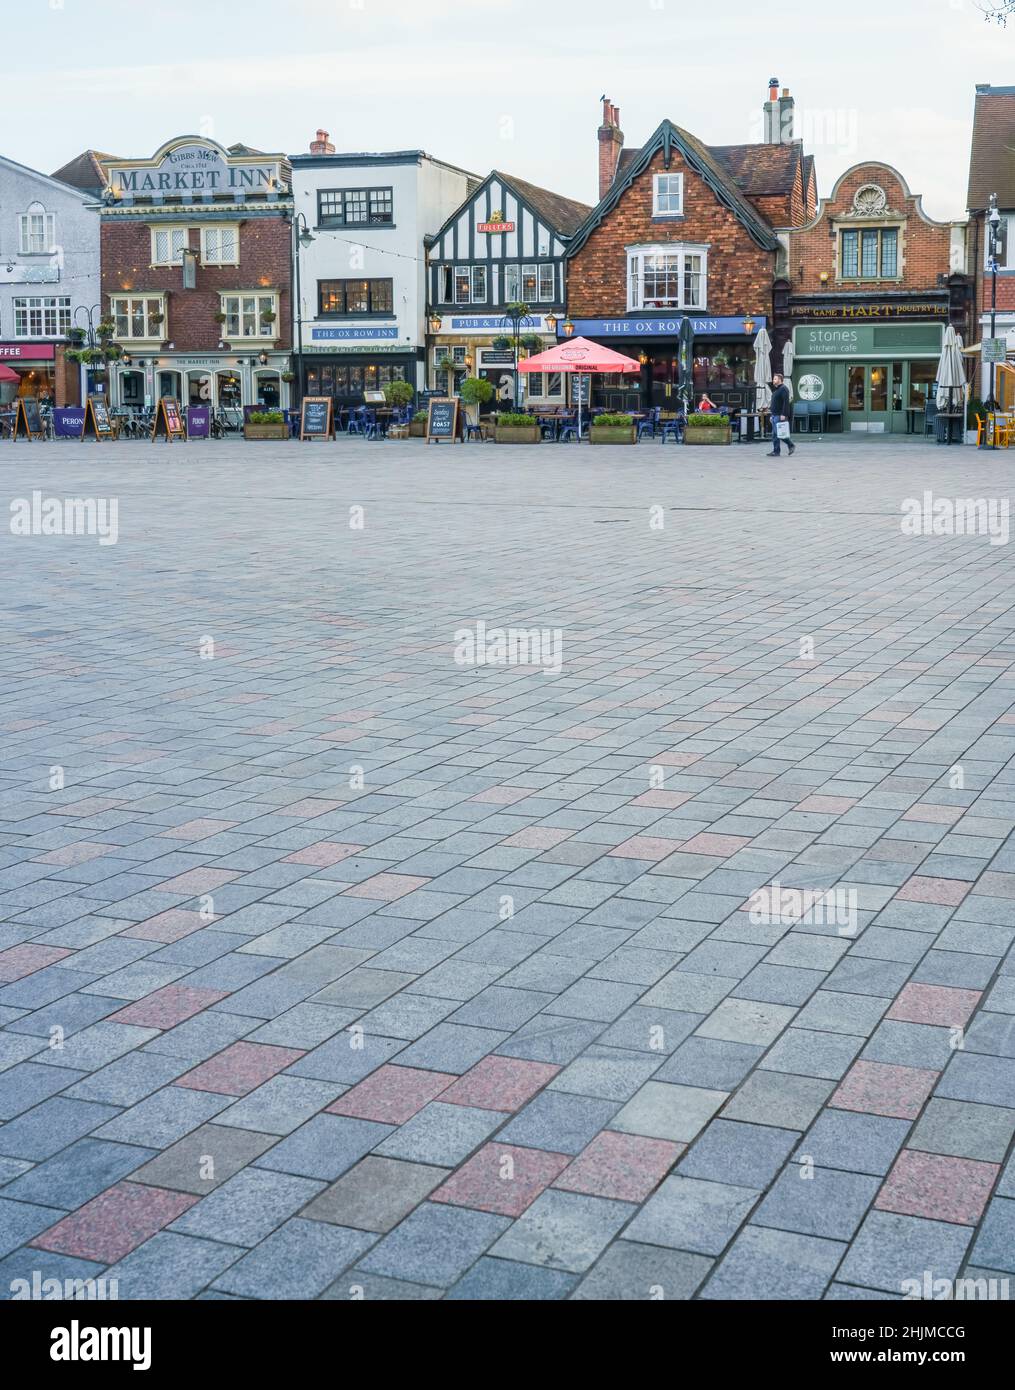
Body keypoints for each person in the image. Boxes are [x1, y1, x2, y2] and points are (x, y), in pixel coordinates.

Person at [767, 374, 795, 456]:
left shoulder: (784, 389)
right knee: (775, 435)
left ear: (780, 380)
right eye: (773, 379)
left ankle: (791, 445)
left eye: (775, 379)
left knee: (779, 433)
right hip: (775, 415)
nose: (773, 380)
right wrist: (772, 415)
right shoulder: (776, 390)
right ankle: (776, 451)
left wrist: (784, 414)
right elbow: (775, 404)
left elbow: (786, 403)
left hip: (780, 415)